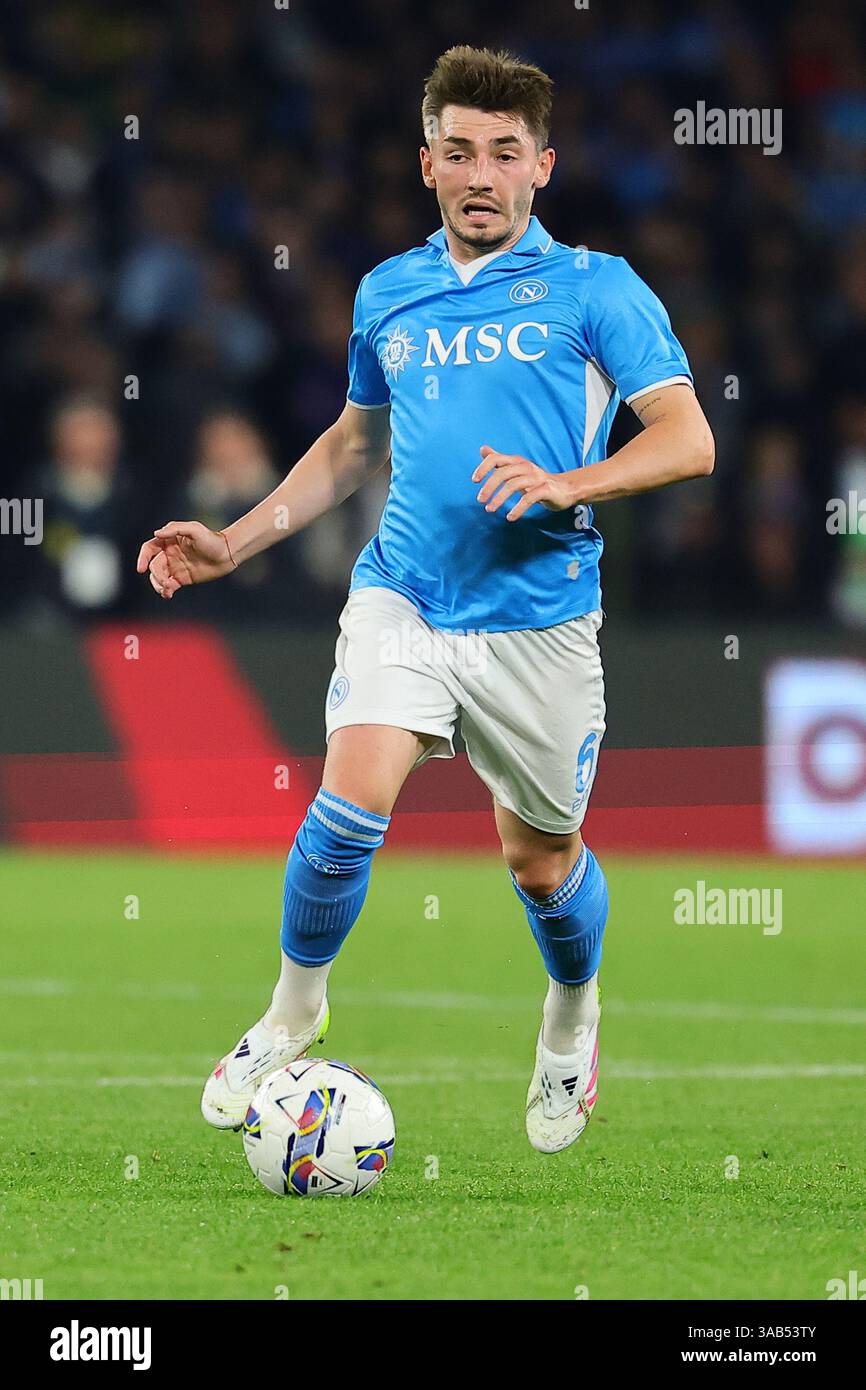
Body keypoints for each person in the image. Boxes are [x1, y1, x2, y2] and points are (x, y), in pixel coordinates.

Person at [137, 45, 714, 1154]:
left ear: (541, 166)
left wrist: (567, 483)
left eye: (504, 153)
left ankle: (571, 1013)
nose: (481, 173)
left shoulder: (596, 288)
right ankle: (293, 1009)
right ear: (426, 164)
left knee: (539, 863)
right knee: (346, 812)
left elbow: (687, 438)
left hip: (538, 620)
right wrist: (237, 542)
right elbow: (355, 446)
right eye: (459, 152)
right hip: (402, 596)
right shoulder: (387, 290)